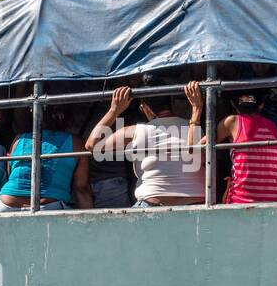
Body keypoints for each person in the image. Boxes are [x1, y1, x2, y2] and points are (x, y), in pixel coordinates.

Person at [86, 78, 206, 206]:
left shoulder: (136, 130)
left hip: (152, 203)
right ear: (171, 102)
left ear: (143, 108)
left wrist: (114, 110)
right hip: (196, 202)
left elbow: (92, 144)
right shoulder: (196, 128)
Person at [0, 105, 93, 211]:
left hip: (7, 204)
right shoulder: (77, 143)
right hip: (48, 207)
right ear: (69, 119)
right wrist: (91, 223)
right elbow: (81, 189)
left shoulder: (18, 139)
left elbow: (10, 174)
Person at [218, 92, 277, 203]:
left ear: (233, 105)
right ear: (261, 105)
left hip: (241, 202)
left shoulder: (233, 121)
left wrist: (196, 113)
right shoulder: (273, 126)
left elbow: (198, 147)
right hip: (275, 201)